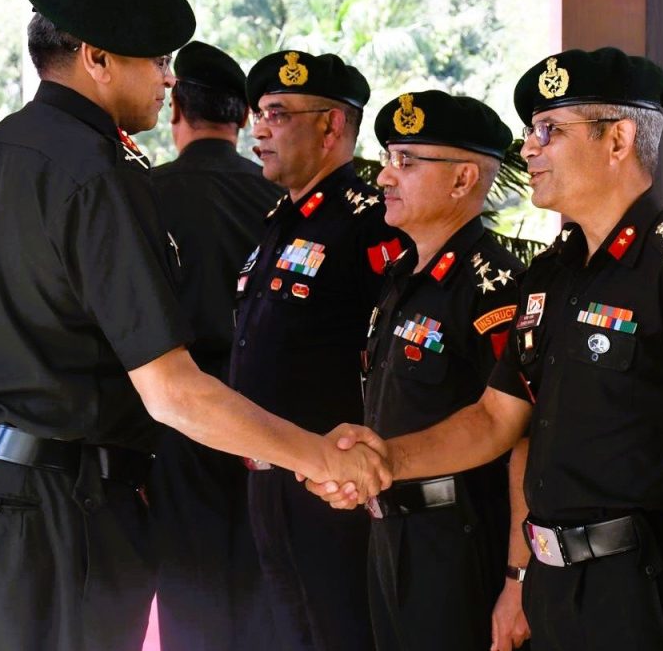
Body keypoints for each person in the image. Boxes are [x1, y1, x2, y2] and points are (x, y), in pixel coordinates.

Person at [0, 0, 389, 651]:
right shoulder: (100, 173)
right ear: (96, 57)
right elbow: (171, 390)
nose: (169, 79)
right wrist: (318, 454)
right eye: (156, 59)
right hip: (61, 514)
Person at [311, 47, 663, 651]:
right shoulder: (549, 276)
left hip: (642, 588)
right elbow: (494, 418)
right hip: (552, 587)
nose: (529, 148)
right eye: (533, 130)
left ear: (618, 140)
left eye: (550, 130)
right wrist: (384, 461)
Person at [229, 49, 406, 651]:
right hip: (268, 480)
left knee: (339, 632)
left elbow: (390, 360)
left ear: (332, 125)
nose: (258, 128)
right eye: (258, 113)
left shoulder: (368, 221)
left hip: (333, 486)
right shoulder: (281, 220)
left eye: (277, 113)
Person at [366, 89, 529, 651]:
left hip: (460, 541)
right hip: (391, 532)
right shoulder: (402, 278)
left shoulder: (495, 286)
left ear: (463, 180)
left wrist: (517, 578)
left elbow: (522, 436)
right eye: (388, 158)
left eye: (407, 161)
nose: (386, 176)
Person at [147, 40, 281, 651]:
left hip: (179, 412)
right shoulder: (276, 197)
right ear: (244, 118)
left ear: (177, 106)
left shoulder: (147, 193)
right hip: (269, 410)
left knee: (190, 590)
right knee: (265, 580)